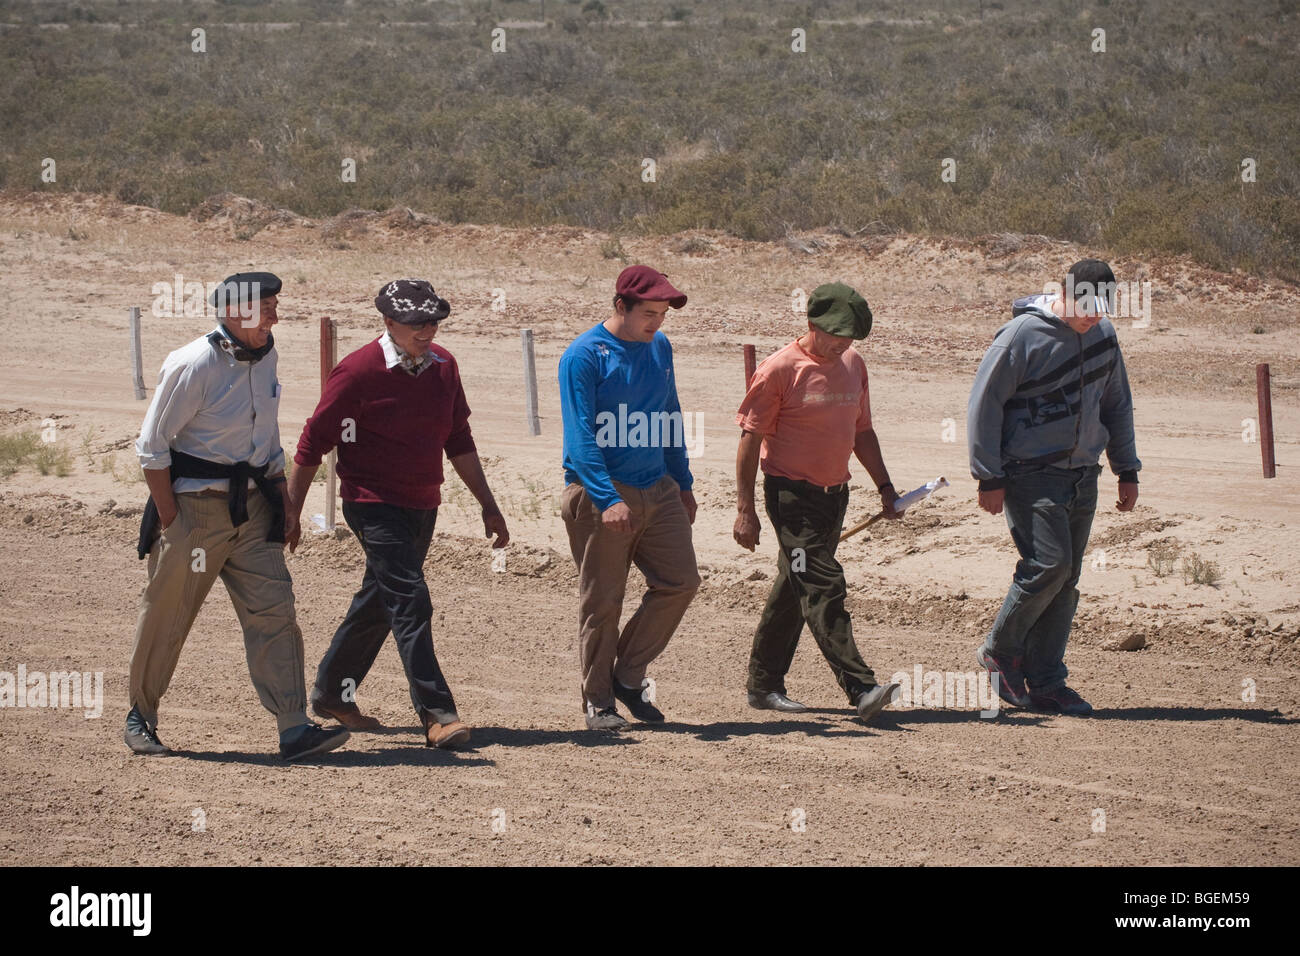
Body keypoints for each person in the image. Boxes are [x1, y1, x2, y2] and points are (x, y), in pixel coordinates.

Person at [127, 271, 350, 762]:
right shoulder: (193, 363)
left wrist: (287, 506)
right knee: (169, 616)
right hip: (195, 513)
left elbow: (267, 441)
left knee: (275, 612)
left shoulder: (266, 354)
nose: (274, 315)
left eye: (274, 304)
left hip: (253, 510)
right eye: (264, 305)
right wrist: (173, 522)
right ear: (232, 312)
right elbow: (152, 449)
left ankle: (294, 728)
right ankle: (140, 717)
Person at [289, 279, 508, 749]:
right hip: (371, 504)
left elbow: (459, 440)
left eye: (433, 320)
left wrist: (488, 506)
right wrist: (292, 510)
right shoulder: (357, 372)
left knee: (381, 601)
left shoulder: (445, 367)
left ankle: (331, 692)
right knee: (410, 599)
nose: (427, 330)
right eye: (416, 323)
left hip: (423, 503)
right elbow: (313, 443)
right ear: (389, 322)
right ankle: (437, 714)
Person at [968, 258, 1141, 716]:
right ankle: (999, 653)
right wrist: (988, 475)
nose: (1092, 316)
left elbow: (1116, 404)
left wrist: (1127, 469)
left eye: (1101, 308)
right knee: (1049, 564)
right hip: (1028, 471)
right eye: (1085, 306)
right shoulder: (1020, 336)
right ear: (1063, 292)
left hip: (1084, 474)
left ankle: (1046, 681)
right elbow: (984, 404)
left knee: (1067, 580)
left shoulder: (1103, 336)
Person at [733, 282, 901, 723]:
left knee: (796, 584)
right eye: (835, 337)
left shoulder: (852, 364)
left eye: (849, 339)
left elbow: (862, 432)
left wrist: (885, 488)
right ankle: (861, 687)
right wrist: (745, 511)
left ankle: (763, 684)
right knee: (823, 585)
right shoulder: (779, 370)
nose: (842, 346)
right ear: (811, 324)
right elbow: (749, 441)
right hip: (791, 497)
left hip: (835, 495)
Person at [558, 265, 700, 731]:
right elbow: (580, 437)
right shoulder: (583, 356)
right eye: (649, 313)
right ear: (621, 306)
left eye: (662, 314)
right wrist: (605, 497)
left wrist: (682, 483)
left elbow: (670, 415)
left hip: (657, 487)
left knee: (681, 582)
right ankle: (598, 703)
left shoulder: (659, 346)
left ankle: (627, 675)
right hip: (601, 492)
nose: (656, 323)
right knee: (603, 602)